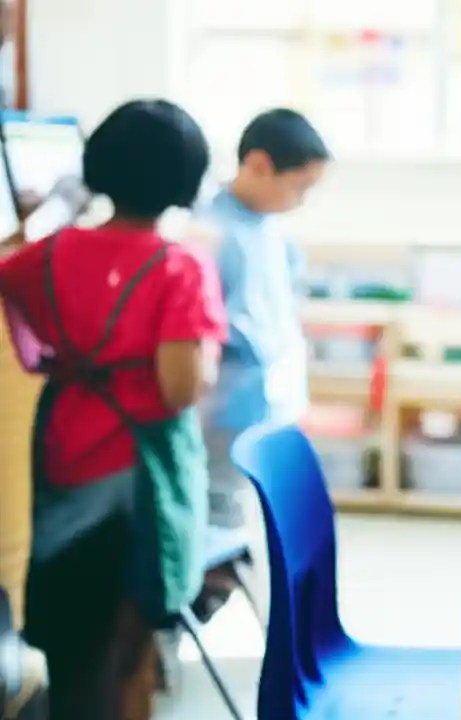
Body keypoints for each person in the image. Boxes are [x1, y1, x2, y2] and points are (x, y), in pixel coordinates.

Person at [0, 99, 227, 719]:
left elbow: (8, 271)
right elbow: (179, 387)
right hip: (140, 480)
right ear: (185, 179)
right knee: (131, 652)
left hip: (63, 455)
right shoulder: (180, 267)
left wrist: (52, 210)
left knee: (74, 642)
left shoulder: (47, 255)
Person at [196, 108, 329, 624]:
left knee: (258, 520)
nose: (301, 201)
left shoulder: (272, 232)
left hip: (269, 404)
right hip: (228, 410)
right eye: (299, 187)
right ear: (258, 165)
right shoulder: (211, 232)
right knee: (222, 523)